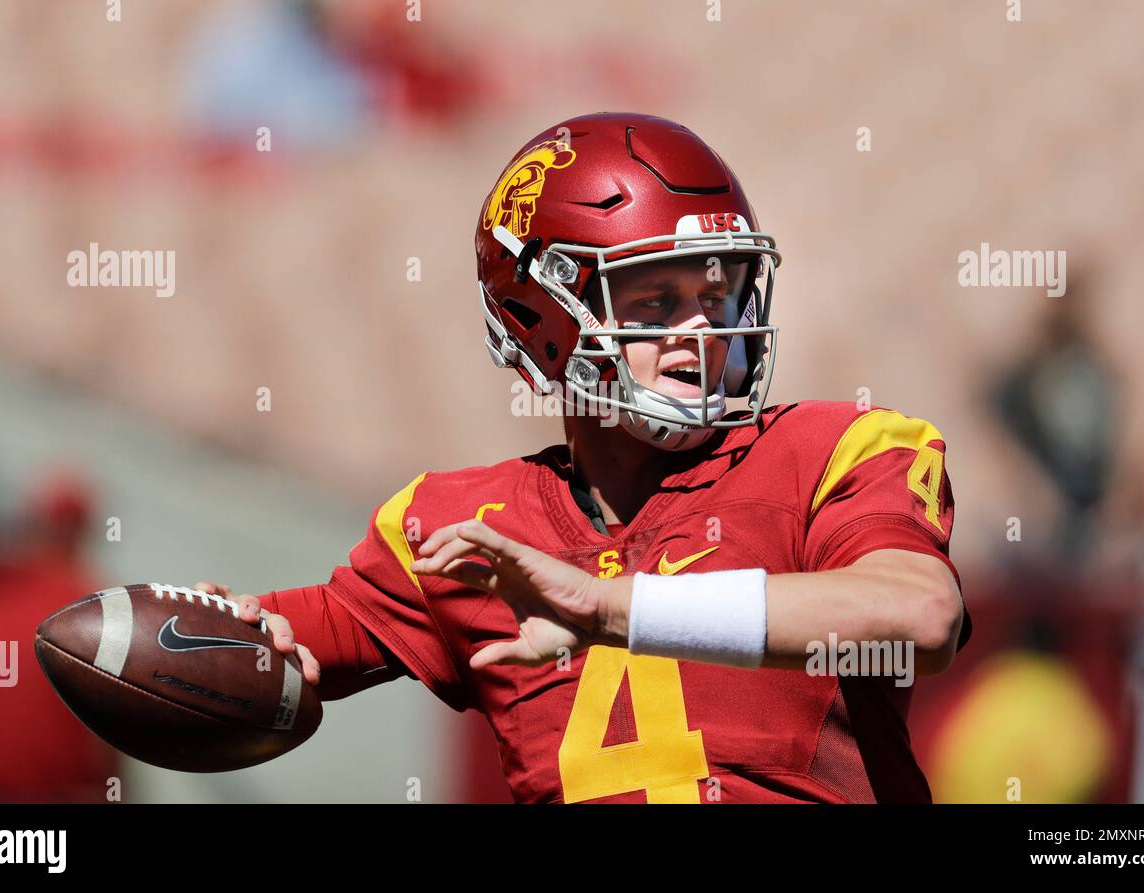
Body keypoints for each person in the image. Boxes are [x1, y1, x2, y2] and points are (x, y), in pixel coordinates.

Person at [198, 113, 968, 803]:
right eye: (657, 303)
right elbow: (275, 647)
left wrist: (607, 609)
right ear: (542, 322)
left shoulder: (831, 451)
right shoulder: (463, 530)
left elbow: (921, 617)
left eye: (719, 295)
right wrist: (212, 638)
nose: (703, 332)